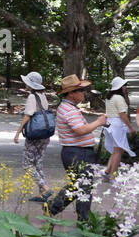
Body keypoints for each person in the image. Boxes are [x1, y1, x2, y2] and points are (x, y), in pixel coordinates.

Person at [45, 74, 107, 222]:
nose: (83, 93)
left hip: (75, 152)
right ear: (71, 93)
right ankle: (83, 220)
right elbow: (80, 130)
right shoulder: (69, 109)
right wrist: (99, 122)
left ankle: (52, 207)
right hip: (78, 152)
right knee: (84, 186)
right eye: (80, 91)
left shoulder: (68, 107)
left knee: (77, 185)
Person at [13, 71, 53, 200]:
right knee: (38, 163)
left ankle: (45, 187)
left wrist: (18, 132)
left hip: (34, 135)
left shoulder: (31, 97)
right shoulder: (43, 95)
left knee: (27, 164)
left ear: (30, 84)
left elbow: (28, 115)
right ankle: (42, 193)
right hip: (45, 134)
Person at [103, 76, 136, 178]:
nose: (125, 87)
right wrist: (130, 127)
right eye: (124, 85)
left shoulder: (109, 97)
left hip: (109, 123)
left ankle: (108, 170)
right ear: (120, 87)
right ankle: (113, 175)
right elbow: (122, 115)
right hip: (117, 124)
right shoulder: (119, 98)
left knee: (117, 150)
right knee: (118, 151)